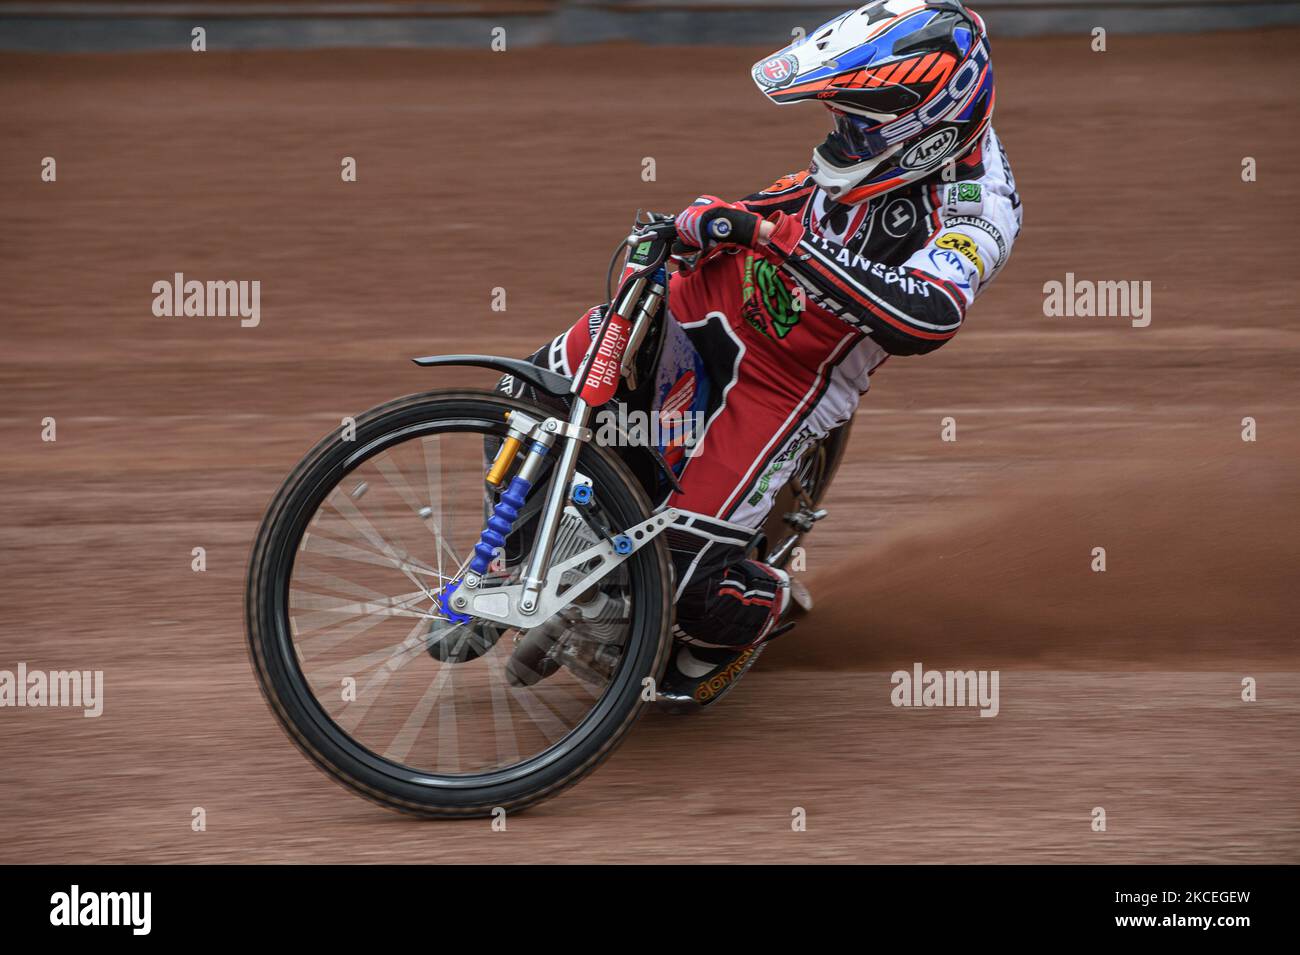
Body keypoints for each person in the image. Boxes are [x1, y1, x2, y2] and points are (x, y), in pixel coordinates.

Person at [505, 0, 1022, 701]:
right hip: (716, 293)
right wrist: (717, 220)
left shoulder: (978, 208)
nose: (841, 134)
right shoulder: (880, 151)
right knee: (529, 394)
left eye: (856, 123)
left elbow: (924, 319)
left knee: (685, 593)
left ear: (922, 133)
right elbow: (804, 196)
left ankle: (768, 599)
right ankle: (510, 569)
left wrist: (774, 238)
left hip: (789, 376)